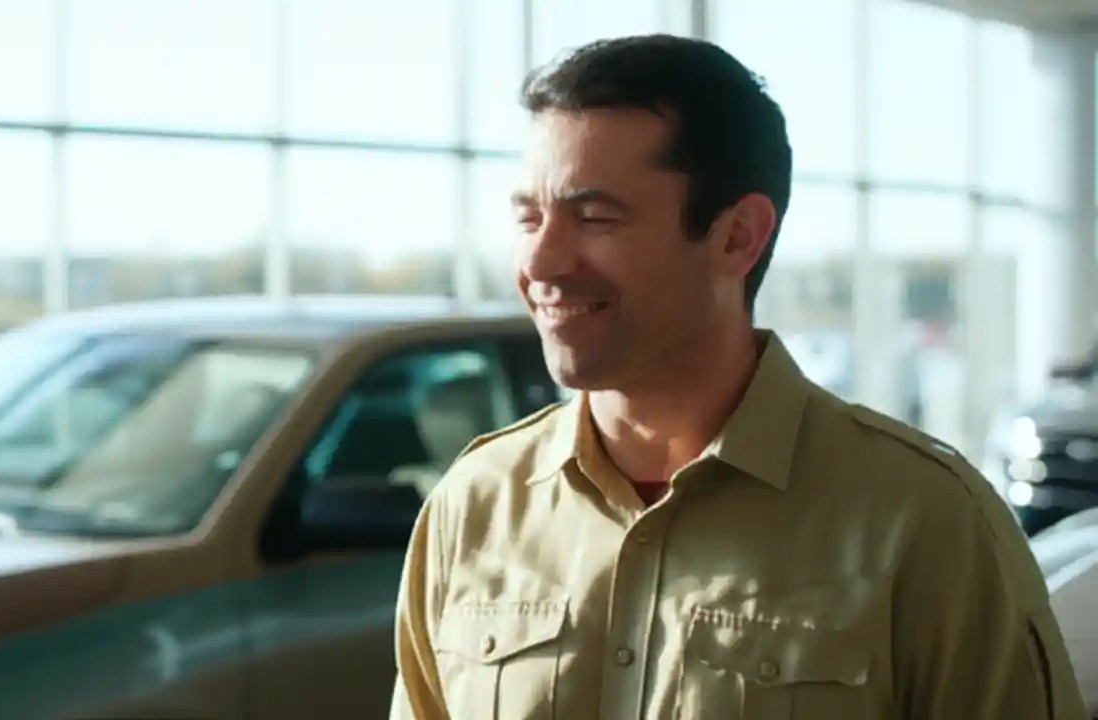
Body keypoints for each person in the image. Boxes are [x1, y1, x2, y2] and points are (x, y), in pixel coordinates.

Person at [389, 34, 1086, 719]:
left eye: (595, 216)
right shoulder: (473, 506)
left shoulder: (924, 522)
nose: (541, 263)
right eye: (529, 217)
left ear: (738, 236)